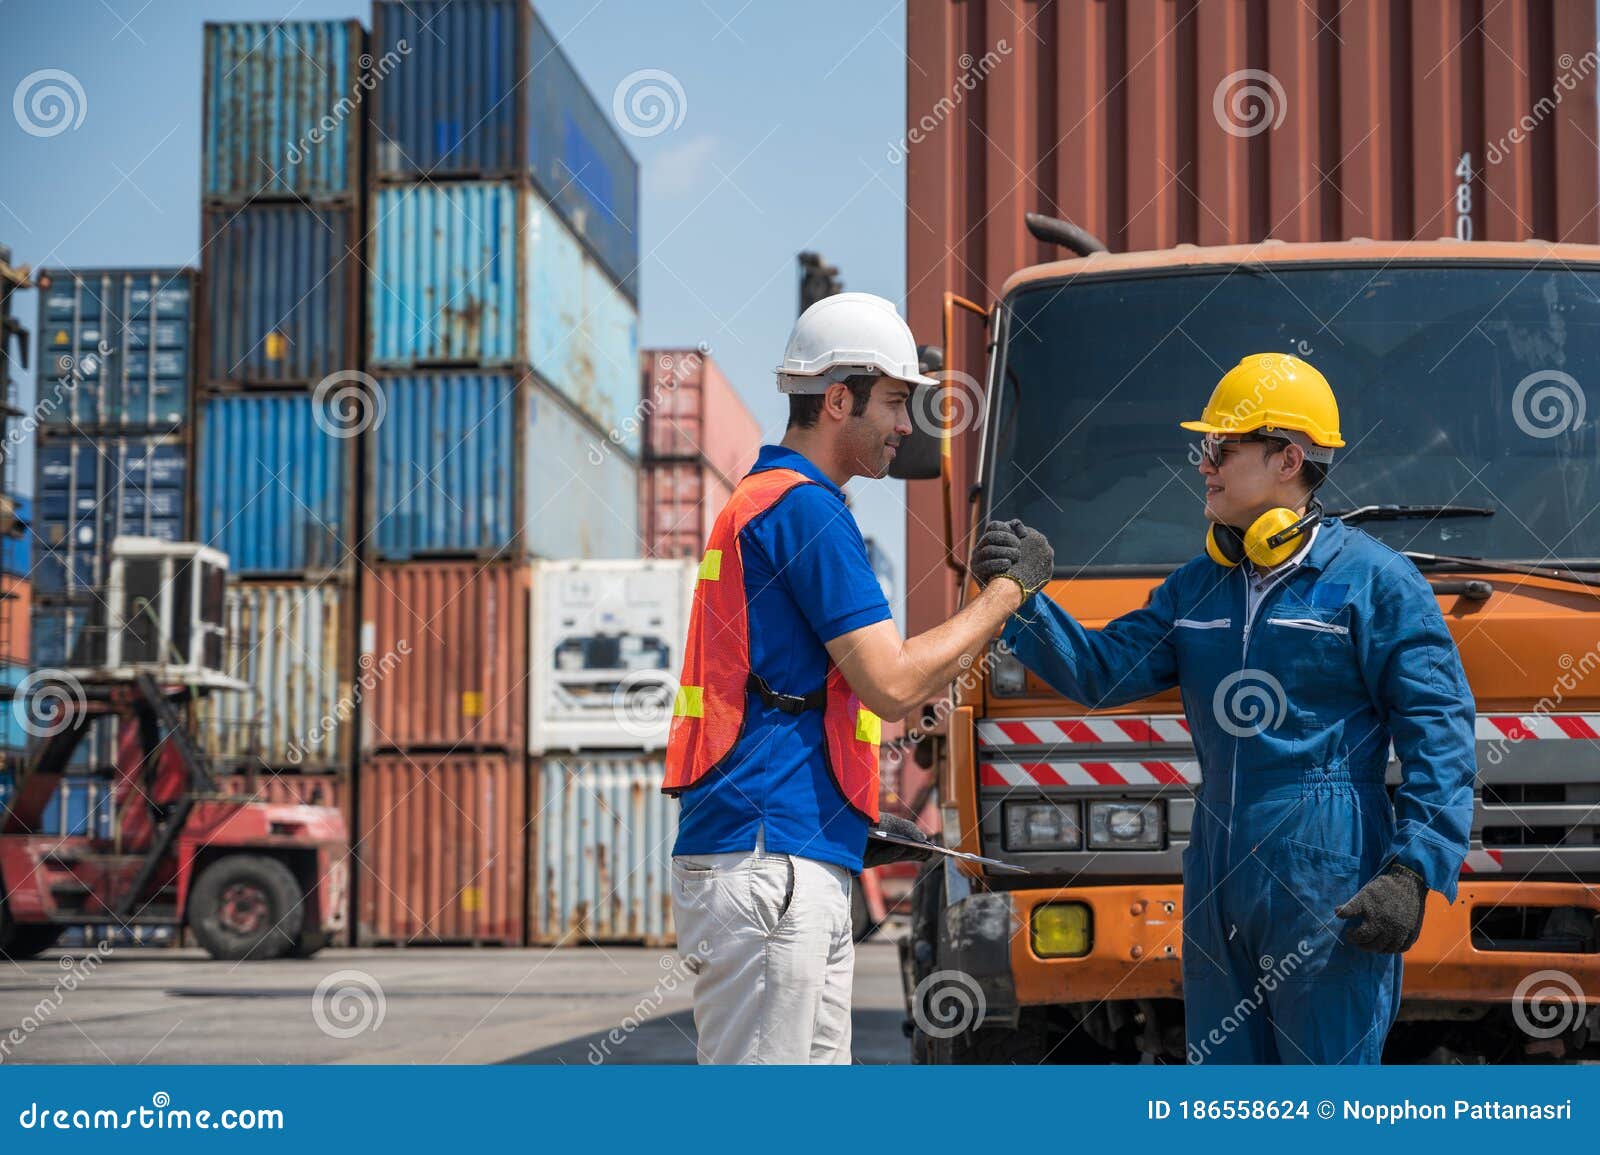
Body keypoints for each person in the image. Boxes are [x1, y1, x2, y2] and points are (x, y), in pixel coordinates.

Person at [972, 353, 1476, 1064]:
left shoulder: (1376, 583)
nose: (1203, 464)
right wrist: (1022, 599)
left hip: (1328, 872)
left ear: (1288, 458)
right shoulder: (1197, 587)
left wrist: (1412, 871)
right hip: (1218, 869)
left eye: (1222, 447)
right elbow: (1102, 671)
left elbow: (1440, 736)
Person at [662, 292, 1046, 1064]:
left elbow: (808, 694)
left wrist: (847, 817)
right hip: (772, 860)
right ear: (839, 399)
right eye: (896, 402)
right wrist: (1007, 594)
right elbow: (892, 682)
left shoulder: (771, 502)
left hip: (786, 850)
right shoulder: (804, 511)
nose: (907, 426)